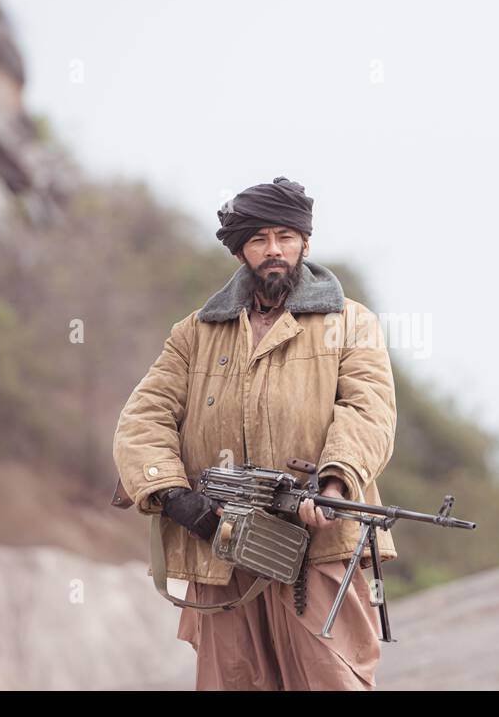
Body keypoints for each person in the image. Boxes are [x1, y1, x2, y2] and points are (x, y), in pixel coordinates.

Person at [112, 176, 398, 690]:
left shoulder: (350, 323)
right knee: (233, 681)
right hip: (220, 547)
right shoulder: (195, 332)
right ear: (241, 249)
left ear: (305, 243)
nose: (274, 250)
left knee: (330, 678)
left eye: (285, 237)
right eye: (259, 239)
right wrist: (176, 497)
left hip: (317, 540)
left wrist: (334, 485)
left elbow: (368, 411)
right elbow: (143, 417)